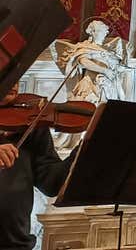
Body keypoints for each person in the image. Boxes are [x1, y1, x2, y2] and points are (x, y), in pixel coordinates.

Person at [0, 83, 78, 250]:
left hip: (15, 243)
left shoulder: (31, 123)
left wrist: (79, 153)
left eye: (18, 74)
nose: (15, 82)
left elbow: (51, 184)